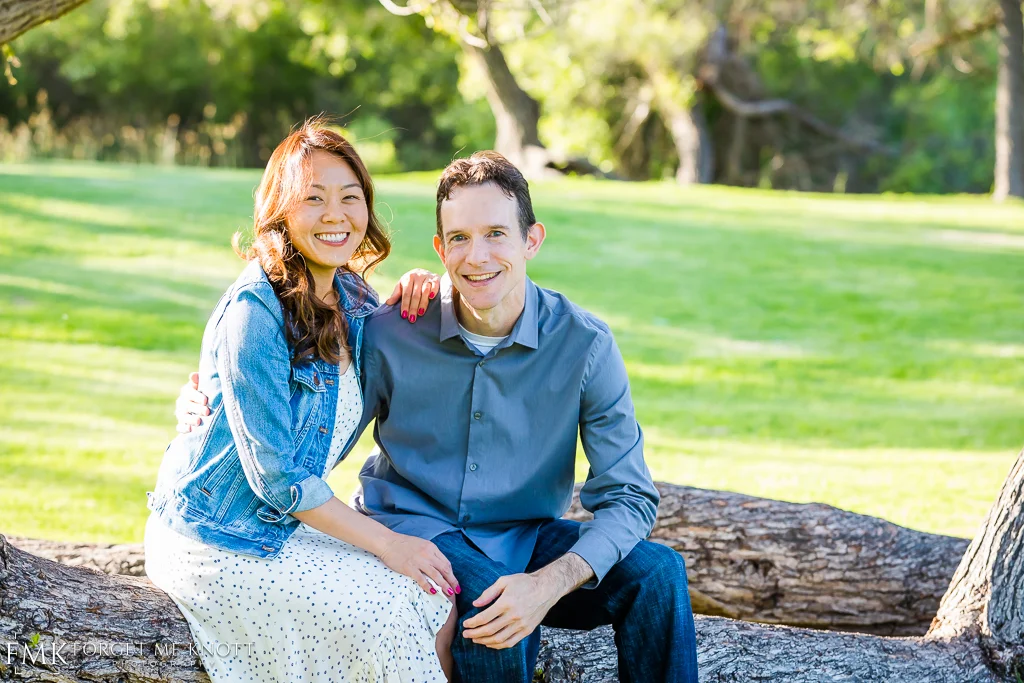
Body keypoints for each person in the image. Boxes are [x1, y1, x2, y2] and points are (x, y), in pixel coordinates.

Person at [178, 151, 699, 682]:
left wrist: (548, 583)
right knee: (493, 607)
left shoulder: (585, 345)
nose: (477, 257)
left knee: (658, 572)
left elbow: (630, 498)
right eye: (459, 238)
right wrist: (209, 399)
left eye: (497, 233)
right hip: (418, 526)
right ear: (440, 248)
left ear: (532, 240)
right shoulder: (392, 330)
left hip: (525, 532)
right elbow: (309, 400)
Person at [147, 118, 458, 683]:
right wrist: (390, 544)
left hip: (279, 526)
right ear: (281, 210)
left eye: (349, 197)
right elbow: (278, 477)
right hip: (221, 540)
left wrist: (420, 287)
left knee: (433, 600)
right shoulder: (255, 310)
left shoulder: (352, 294)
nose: (335, 215)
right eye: (313, 199)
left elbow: (396, 343)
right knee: (389, 613)